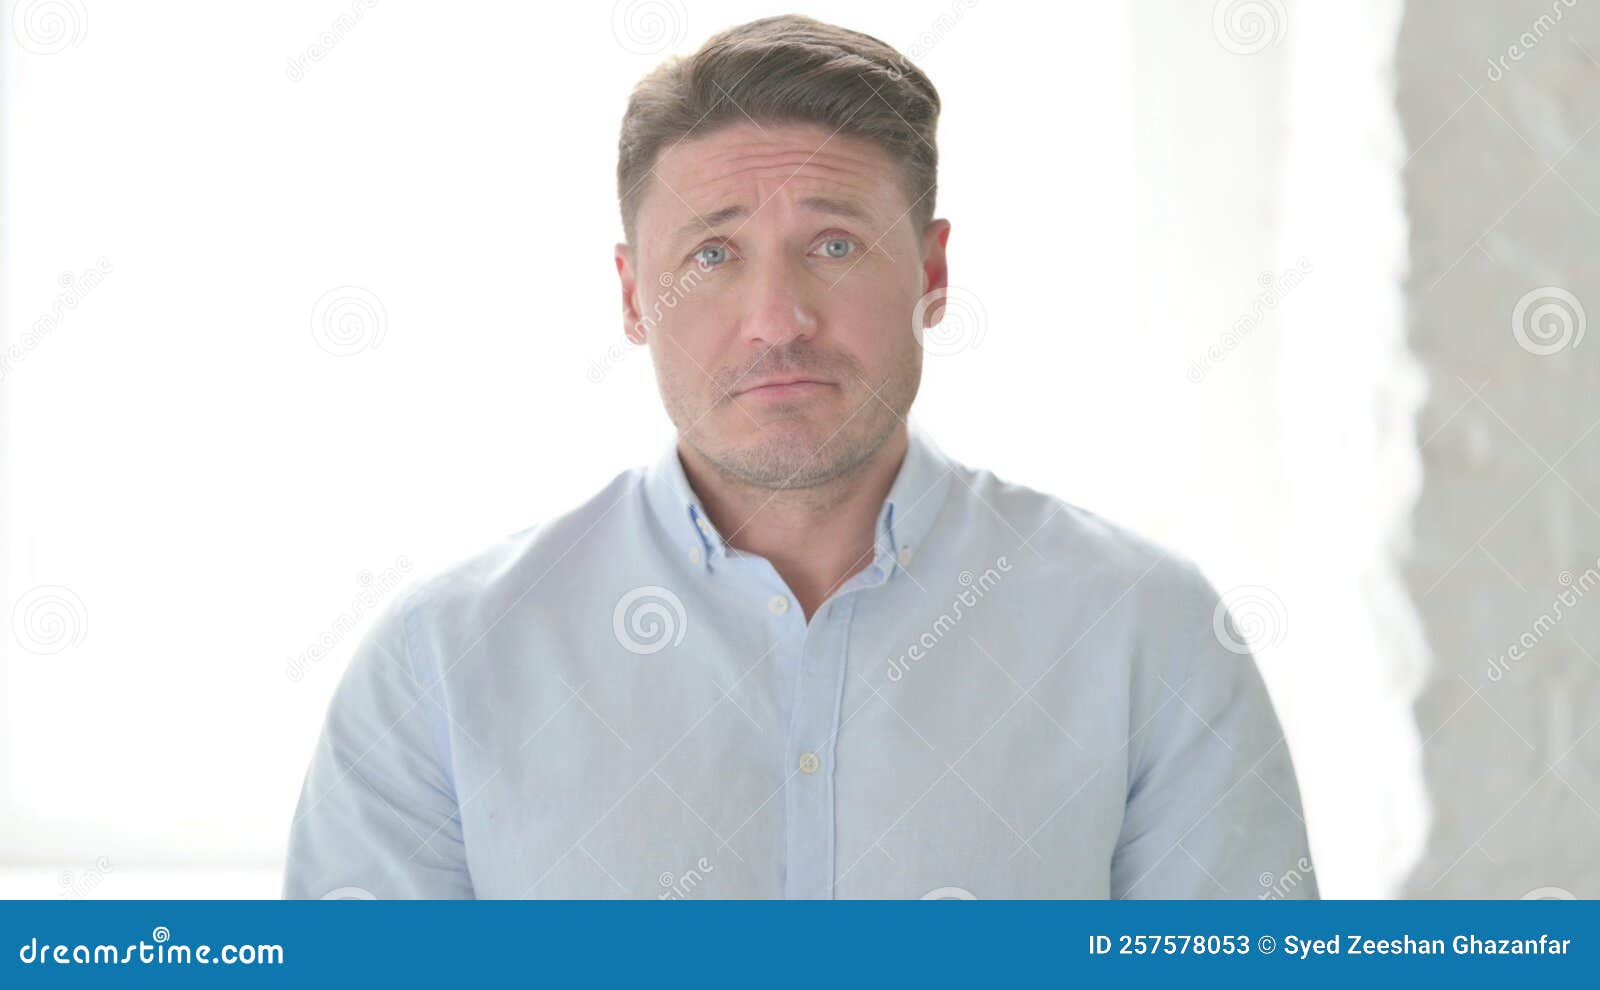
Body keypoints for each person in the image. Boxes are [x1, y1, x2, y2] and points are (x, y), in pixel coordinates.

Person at [283, 13, 1315, 899]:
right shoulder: (443, 665)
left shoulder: (1145, 630)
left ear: (933, 270)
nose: (776, 320)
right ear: (635, 296)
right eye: (712, 255)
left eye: (833, 245)